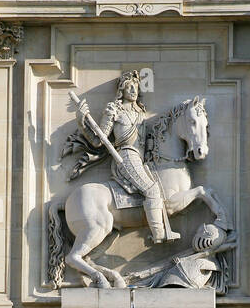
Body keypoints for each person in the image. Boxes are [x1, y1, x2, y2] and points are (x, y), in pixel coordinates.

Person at [76, 70, 179, 245]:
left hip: (141, 158)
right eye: (129, 87)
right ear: (121, 90)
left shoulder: (141, 112)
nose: (133, 90)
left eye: (136, 87)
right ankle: (159, 234)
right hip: (126, 156)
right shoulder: (114, 109)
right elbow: (97, 140)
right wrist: (81, 121)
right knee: (152, 190)